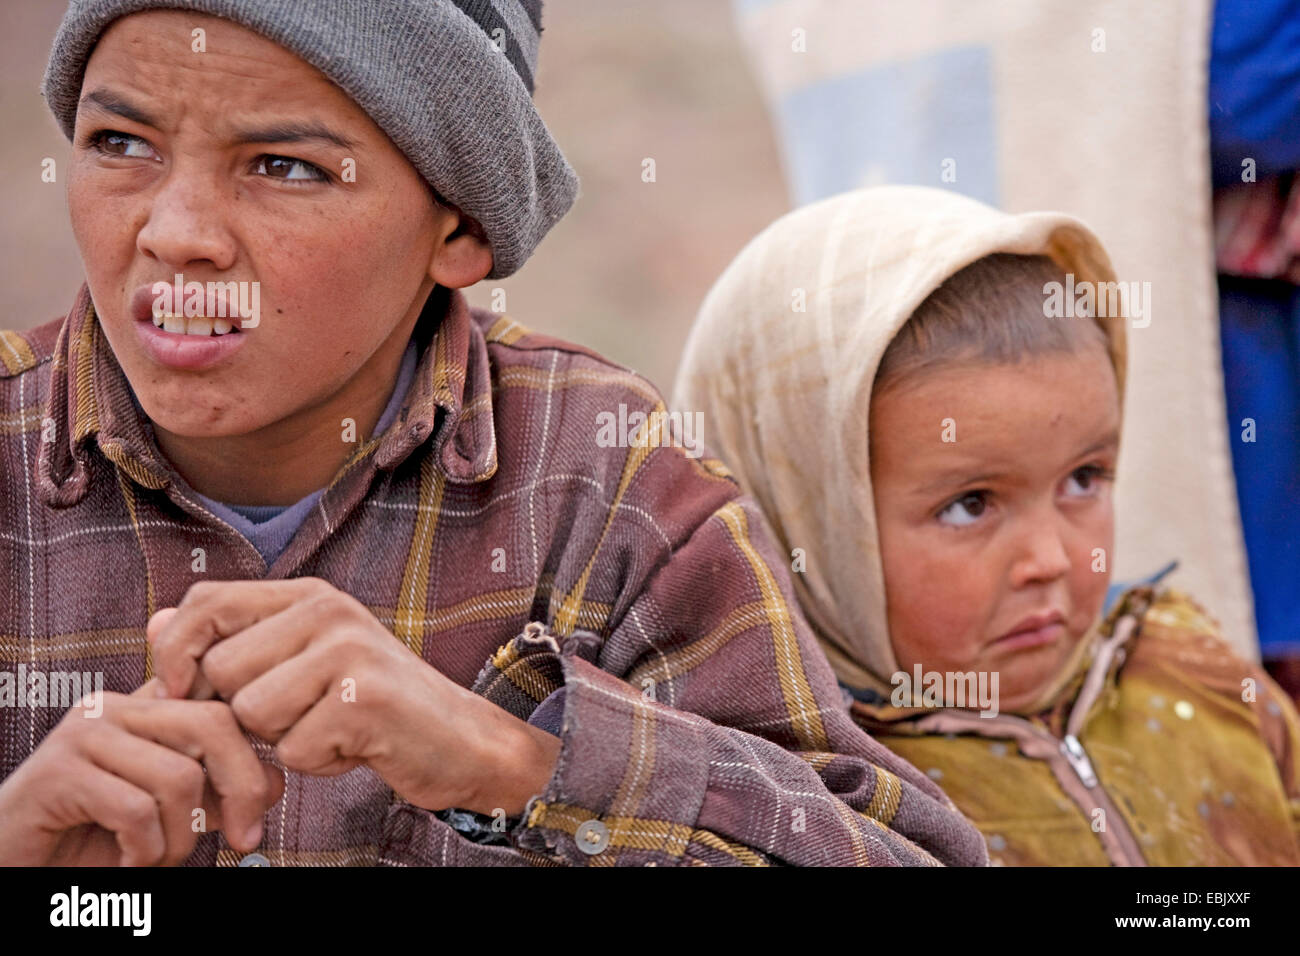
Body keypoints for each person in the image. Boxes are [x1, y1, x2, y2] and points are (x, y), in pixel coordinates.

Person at [0, 2, 989, 867]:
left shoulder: (609, 481)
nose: (175, 232)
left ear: (460, 230)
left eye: (283, 166)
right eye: (121, 144)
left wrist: (513, 760)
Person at [673, 185, 1300, 865]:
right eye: (970, 504)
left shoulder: (1191, 665)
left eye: (1083, 479)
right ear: (808, 522)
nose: (1052, 560)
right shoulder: (808, 808)